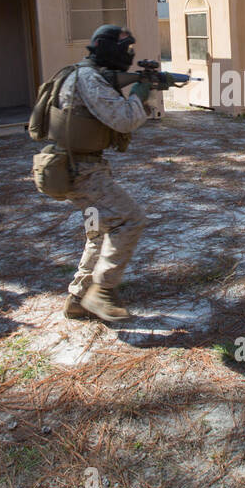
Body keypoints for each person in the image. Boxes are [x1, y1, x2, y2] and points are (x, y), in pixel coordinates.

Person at [44, 24, 151, 322]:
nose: (128, 54)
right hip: (81, 171)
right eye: (125, 49)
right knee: (130, 219)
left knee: (101, 230)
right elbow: (125, 119)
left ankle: (78, 299)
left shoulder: (81, 73)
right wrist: (142, 90)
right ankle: (102, 292)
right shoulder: (89, 79)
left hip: (75, 165)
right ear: (107, 48)